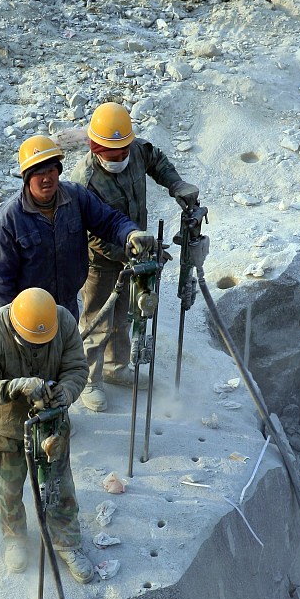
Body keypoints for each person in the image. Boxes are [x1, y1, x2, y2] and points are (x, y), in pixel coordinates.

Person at [0, 134, 153, 416]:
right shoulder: (10, 220)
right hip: (29, 313)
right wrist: (10, 326)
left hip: (66, 303)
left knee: (60, 363)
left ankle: (58, 418)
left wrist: (130, 233)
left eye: (51, 170)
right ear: (26, 178)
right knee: (34, 372)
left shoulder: (75, 197)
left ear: (59, 171)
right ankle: (39, 423)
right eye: (38, 173)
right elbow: (1, 281)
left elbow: (108, 220)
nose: (46, 178)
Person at [71, 102, 200, 411]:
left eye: (122, 153)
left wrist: (176, 184)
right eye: (112, 155)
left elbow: (157, 161)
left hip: (135, 248)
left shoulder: (137, 151)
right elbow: (91, 234)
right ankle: (89, 380)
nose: (119, 159)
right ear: (96, 148)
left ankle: (116, 368)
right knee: (98, 319)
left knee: (123, 316)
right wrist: (132, 254)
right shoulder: (85, 181)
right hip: (101, 262)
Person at [0, 286, 94, 584]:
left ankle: (67, 541)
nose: (36, 347)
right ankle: (14, 538)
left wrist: (67, 391)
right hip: (8, 427)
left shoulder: (62, 322)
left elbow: (76, 368)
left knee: (59, 485)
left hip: (51, 424)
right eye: (29, 343)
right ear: (14, 329)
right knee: (9, 486)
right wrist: (15, 387)